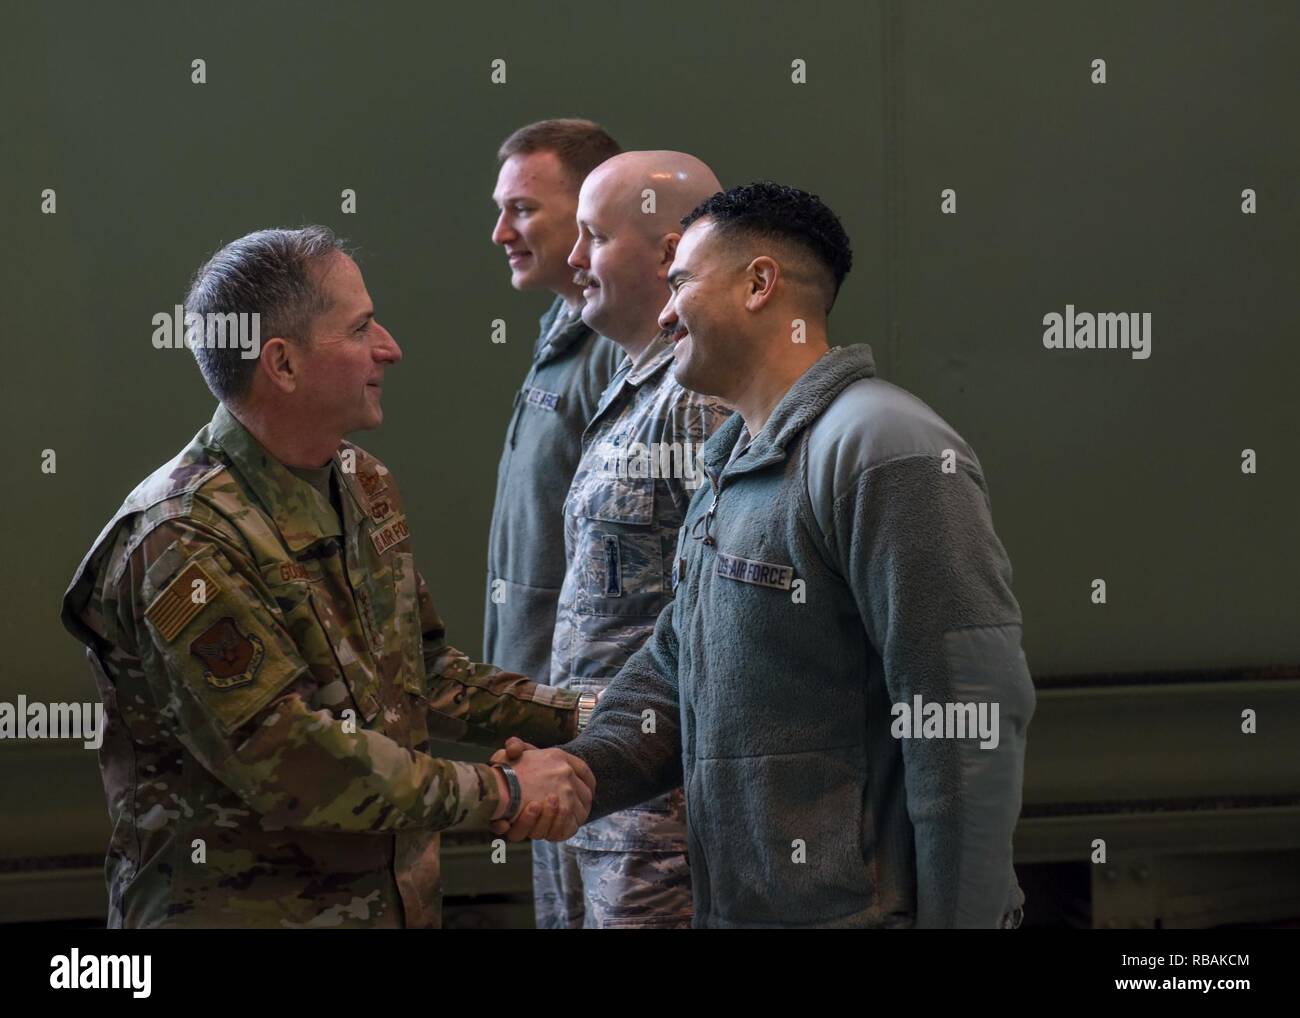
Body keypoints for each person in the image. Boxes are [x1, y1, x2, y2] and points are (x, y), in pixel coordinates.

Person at [496, 182, 1036, 929]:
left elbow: (963, 722)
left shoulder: (885, 450)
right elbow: (670, 668)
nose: (661, 312)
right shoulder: (733, 465)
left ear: (758, 284)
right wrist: (585, 768)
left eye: (680, 282)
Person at [60, 227, 595, 929]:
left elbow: (422, 673)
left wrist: (588, 717)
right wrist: (504, 790)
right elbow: (292, 762)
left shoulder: (360, 481)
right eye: (362, 327)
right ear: (281, 363)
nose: (390, 348)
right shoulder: (181, 536)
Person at [530, 152, 731, 928]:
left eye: (593, 237)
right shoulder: (629, 378)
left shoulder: (695, 399)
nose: (574, 260)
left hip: (658, 817)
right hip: (594, 790)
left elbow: (719, 614)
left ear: (670, 251)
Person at [485, 119, 625, 693]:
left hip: (577, 703)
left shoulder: (625, 346)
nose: (500, 232)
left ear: (592, 208)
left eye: (522, 209)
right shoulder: (564, 325)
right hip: (533, 692)